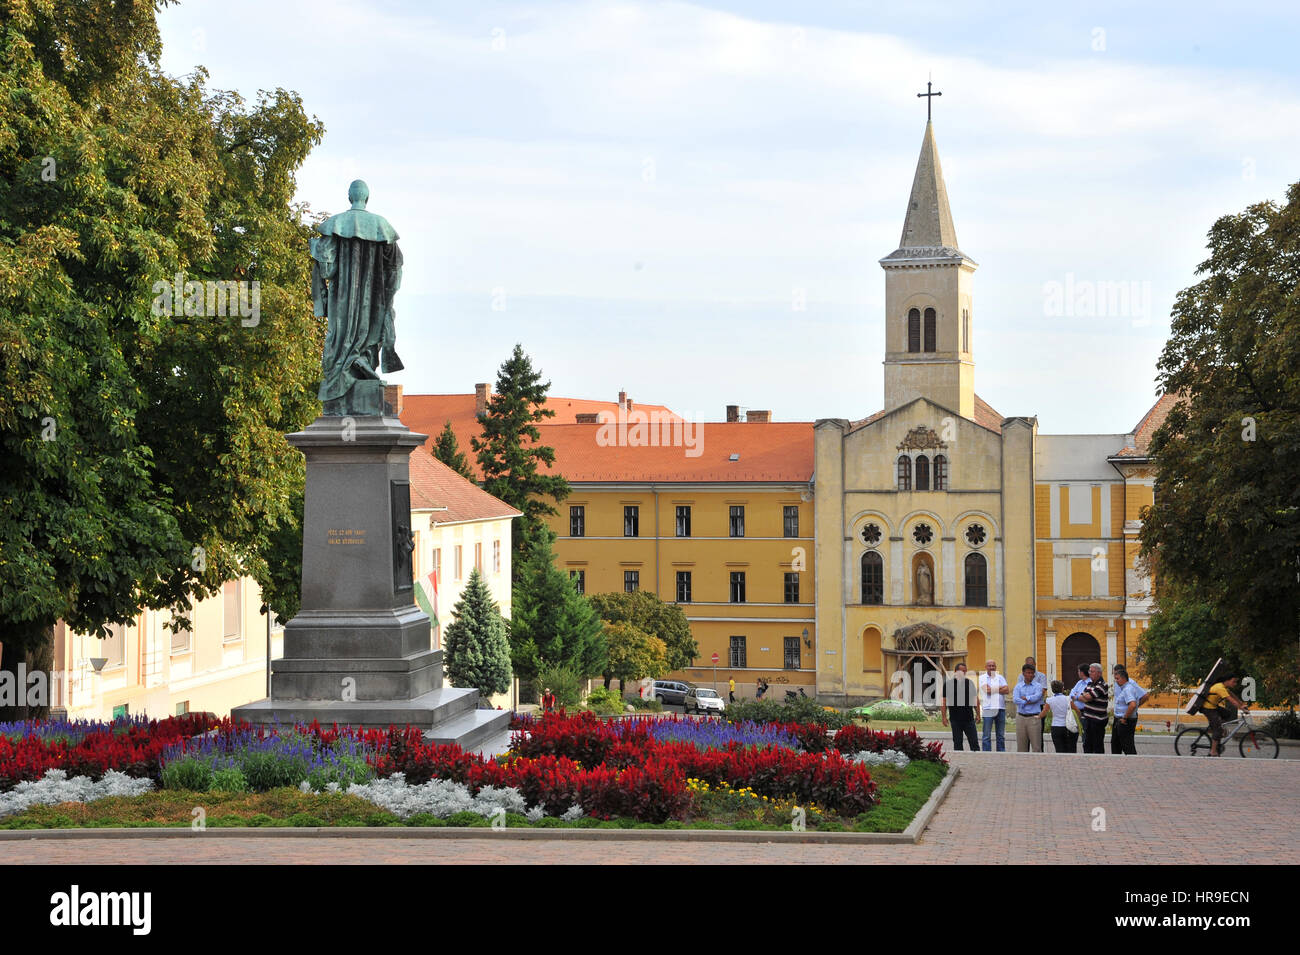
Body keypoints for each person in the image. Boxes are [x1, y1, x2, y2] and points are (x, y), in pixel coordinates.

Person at [1200, 674, 1248, 757]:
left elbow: (1232, 695)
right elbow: (1231, 700)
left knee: (1227, 713)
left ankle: (1217, 728)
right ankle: (1213, 751)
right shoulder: (1220, 688)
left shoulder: (1224, 687)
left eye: (1236, 682)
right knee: (1217, 730)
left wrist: (1242, 704)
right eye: (1233, 682)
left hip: (1214, 707)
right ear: (1227, 681)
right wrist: (1242, 708)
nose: (1235, 684)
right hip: (1208, 708)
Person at [1110, 665, 1149, 755]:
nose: (1116, 679)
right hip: (1119, 717)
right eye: (1115, 676)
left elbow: (1134, 703)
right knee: (1116, 744)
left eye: (1117, 677)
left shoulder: (1129, 686)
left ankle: (1133, 763)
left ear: (1123, 676)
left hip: (1125, 719)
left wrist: (1128, 714)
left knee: (1127, 745)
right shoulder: (1120, 685)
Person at [941, 662, 980, 751]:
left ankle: (977, 761)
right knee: (958, 744)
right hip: (955, 720)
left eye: (965, 671)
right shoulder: (948, 684)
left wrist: (978, 714)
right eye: (962, 671)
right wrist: (943, 717)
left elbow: (975, 700)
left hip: (969, 719)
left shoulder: (969, 683)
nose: (964, 673)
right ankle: (960, 762)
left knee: (974, 743)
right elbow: (944, 701)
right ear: (955, 671)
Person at [1011, 664, 1046, 752]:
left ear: (1034, 674)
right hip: (1021, 717)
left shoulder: (1038, 686)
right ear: (1023, 673)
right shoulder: (1018, 686)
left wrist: (1025, 698)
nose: (1030, 675)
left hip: (1034, 718)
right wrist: (1027, 701)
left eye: (1032, 673)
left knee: (1036, 747)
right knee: (1021, 747)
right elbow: (1015, 699)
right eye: (1028, 673)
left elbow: (1037, 697)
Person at [979, 660, 1009, 752]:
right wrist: (1000, 687)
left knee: (1000, 735)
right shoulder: (982, 678)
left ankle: (1001, 752)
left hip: (1000, 708)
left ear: (995, 667)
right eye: (989, 666)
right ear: (986, 667)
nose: (992, 667)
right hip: (988, 709)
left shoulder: (1000, 677)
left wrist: (992, 688)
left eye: (993, 666)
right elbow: (987, 691)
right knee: (986, 735)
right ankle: (987, 753)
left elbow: (1007, 690)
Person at [1079, 663, 1109, 754]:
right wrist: (1087, 696)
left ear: (1099, 673)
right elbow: (1081, 697)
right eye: (1089, 671)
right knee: (1087, 744)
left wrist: (1087, 696)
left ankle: (1099, 763)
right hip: (1088, 719)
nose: (1089, 673)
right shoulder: (1090, 683)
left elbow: (1086, 697)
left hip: (1097, 720)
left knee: (1097, 745)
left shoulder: (1102, 685)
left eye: (1092, 671)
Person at [1044, 680, 1078, 753]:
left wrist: (1038, 716)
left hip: (1056, 727)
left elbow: (1044, 713)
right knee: (1071, 749)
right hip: (1068, 727)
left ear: (1052, 690)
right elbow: (1077, 711)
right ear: (1062, 689)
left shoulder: (1049, 700)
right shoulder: (1068, 699)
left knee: (1059, 750)